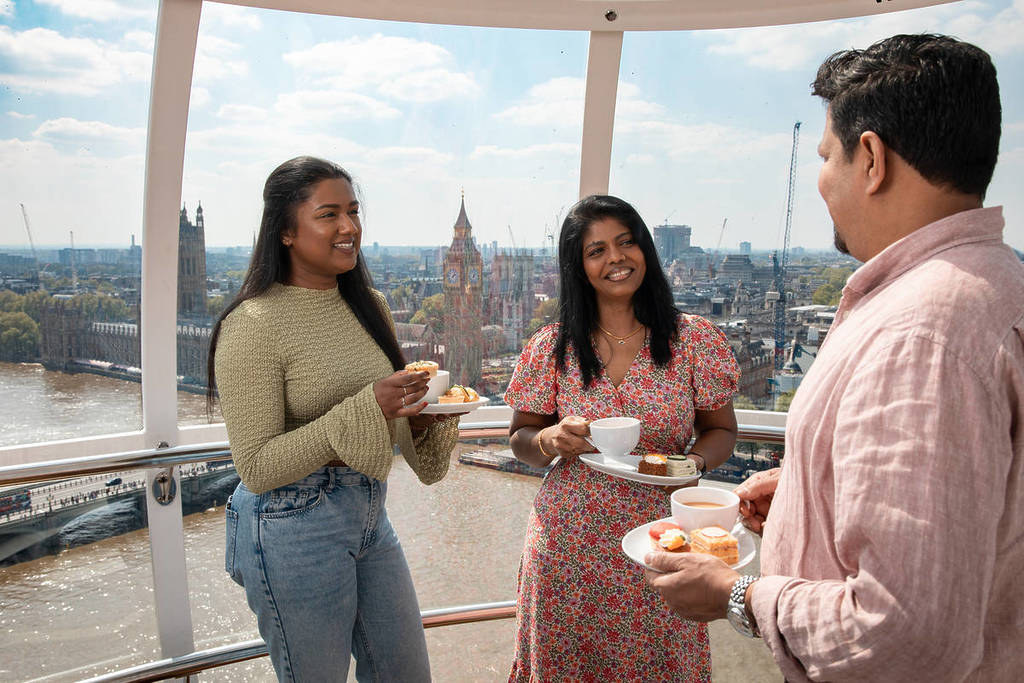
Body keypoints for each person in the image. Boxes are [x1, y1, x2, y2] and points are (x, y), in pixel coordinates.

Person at [644, 34, 1024, 682]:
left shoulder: (920, 337)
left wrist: (739, 596)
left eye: (826, 155)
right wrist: (803, 494)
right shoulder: (996, 283)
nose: (820, 179)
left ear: (871, 159)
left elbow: (906, 633)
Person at [207, 156, 461, 682]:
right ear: (285, 232)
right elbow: (256, 466)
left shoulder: (369, 303)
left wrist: (422, 411)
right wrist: (370, 405)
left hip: (370, 513)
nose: (348, 228)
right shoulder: (253, 324)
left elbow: (388, 429)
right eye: (328, 215)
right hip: (290, 525)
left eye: (353, 211)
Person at [504, 194, 739, 681]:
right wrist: (549, 439)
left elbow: (721, 429)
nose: (615, 258)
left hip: (662, 544)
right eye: (596, 250)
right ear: (578, 266)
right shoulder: (552, 346)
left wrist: (689, 465)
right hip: (566, 548)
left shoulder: (694, 340)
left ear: (646, 250)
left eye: (626, 242)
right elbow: (520, 438)